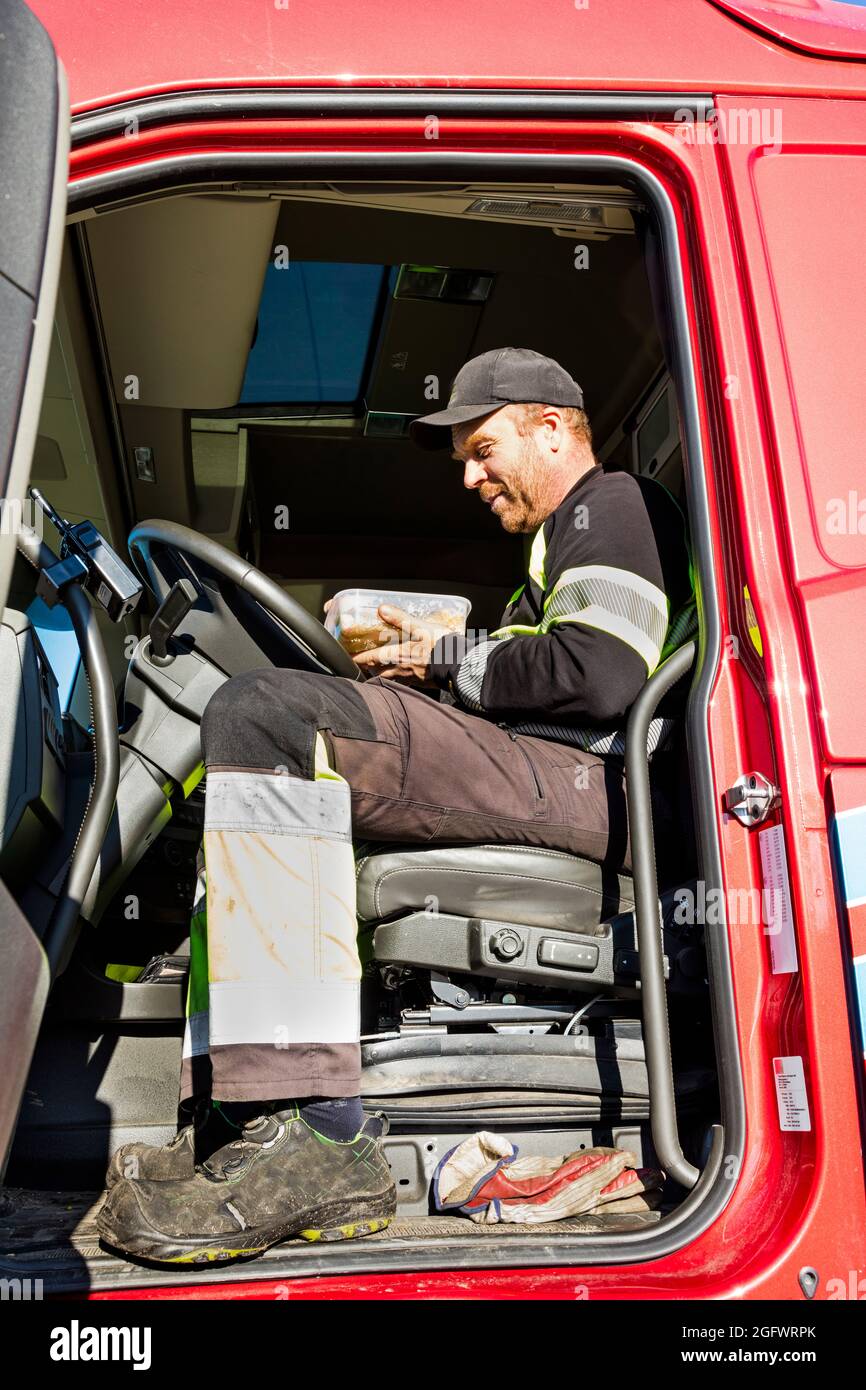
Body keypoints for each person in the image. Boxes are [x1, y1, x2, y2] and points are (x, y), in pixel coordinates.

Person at [98, 347, 696, 1264]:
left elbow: (600, 671)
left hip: (603, 788)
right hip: (555, 768)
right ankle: (237, 1122)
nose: (470, 475)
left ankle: (318, 1132)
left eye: (482, 447)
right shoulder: (566, 534)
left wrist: (448, 661)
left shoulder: (611, 505)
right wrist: (447, 654)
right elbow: (559, 661)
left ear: (551, 426)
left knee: (268, 714)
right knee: (269, 743)